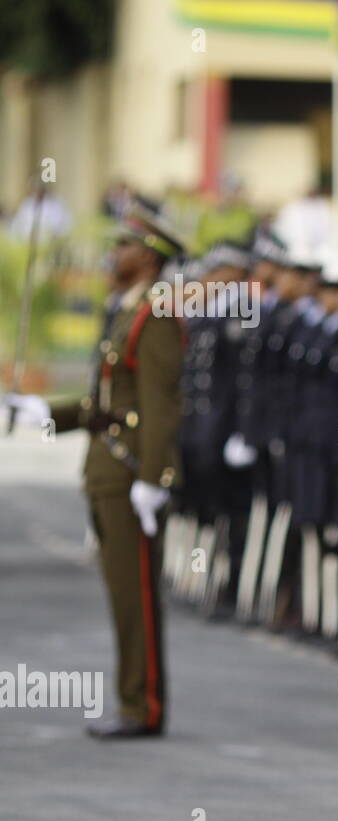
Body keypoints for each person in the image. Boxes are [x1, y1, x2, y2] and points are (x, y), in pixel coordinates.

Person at [6, 203, 187, 737]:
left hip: (131, 473)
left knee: (138, 598)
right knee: (121, 595)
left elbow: (160, 407)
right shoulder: (126, 311)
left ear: (149, 258)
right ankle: (133, 701)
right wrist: (41, 412)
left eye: (123, 247)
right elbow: (104, 402)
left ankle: (144, 706)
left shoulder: (156, 314)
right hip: (107, 469)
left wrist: (154, 479)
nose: (113, 255)